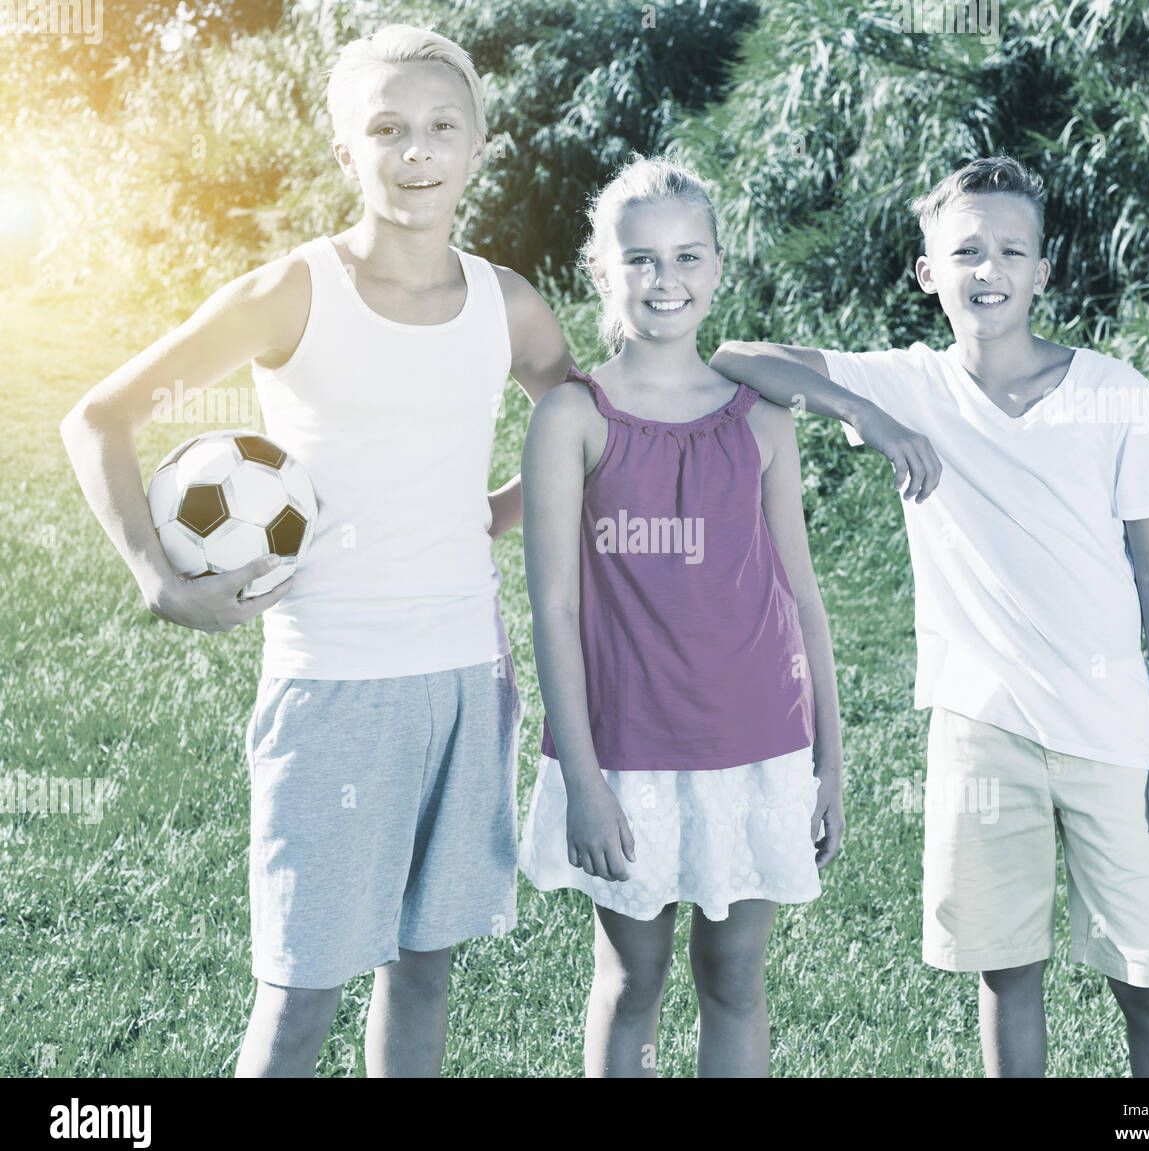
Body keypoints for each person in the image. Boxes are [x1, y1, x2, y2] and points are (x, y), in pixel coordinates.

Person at [58, 23, 573, 1077]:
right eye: (386, 129)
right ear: (348, 152)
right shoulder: (295, 291)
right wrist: (159, 577)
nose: (415, 151)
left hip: (470, 677)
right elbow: (98, 419)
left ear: (479, 144)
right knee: (302, 997)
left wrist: (486, 516)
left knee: (426, 972)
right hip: (334, 686)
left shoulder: (506, 303)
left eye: (440, 127)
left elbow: (584, 432)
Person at [711, 155, 1149, 1077]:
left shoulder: (1113, 393)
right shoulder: (911, 384)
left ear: (1043, 273)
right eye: (966, 250)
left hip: (1112, 732)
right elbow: (735, 357)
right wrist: (869, 414)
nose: (990, 269)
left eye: (1012, 250)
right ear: (928, 272)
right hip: (981, 728)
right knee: (1004, 973)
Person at [517, 153, 849, 1078]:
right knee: (633, 980)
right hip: (628, 754)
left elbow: (803, 598)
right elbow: (552, 605)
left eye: (688, 257)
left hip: (757, 745)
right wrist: (581, 777)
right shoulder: (572, 418)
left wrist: (830, 757)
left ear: (718, 266)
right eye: (642, 261)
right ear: (603, 273)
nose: (668, 281)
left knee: (737, 981)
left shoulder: (759, 420)